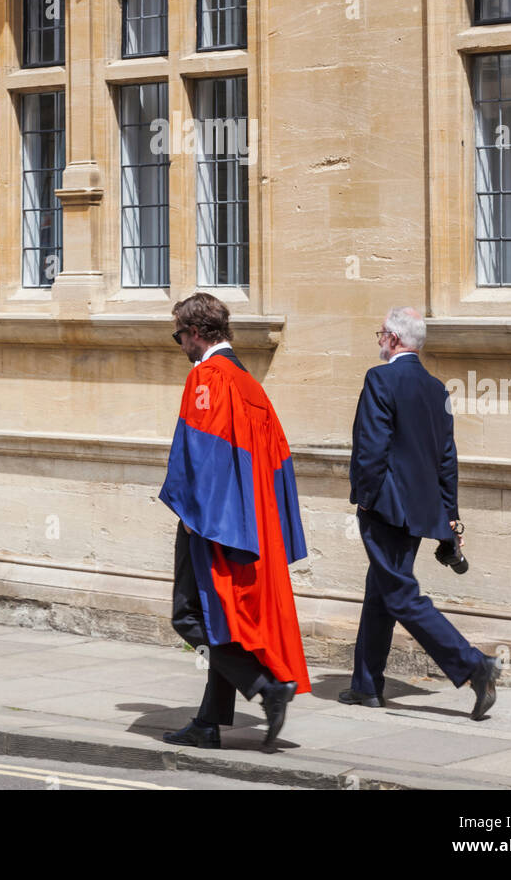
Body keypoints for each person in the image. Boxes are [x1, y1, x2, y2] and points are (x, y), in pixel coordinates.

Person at [159, 292, 310, 750]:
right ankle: (208, 723)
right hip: (251, 524)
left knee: (188, 615)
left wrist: (192, 514)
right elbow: (279, 461)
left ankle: (266, 686)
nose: (180, 343)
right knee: (221, 617)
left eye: (179, 335)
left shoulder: (208, 377)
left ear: (197, 333)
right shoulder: (250, 382)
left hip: (213, 521)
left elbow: (202, 455)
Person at [341, 307, 500, 720]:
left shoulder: (380, 378)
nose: (379, 340)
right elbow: (447, 458)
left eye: (381, 334)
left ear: (393, 338)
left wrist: (364, 496)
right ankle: (366, 685)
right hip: (418, 511)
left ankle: (474, 666)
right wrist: (449, 516)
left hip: (384, 507)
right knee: (381, 590)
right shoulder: (435, 389)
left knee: (399, 595)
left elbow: (371, 448)